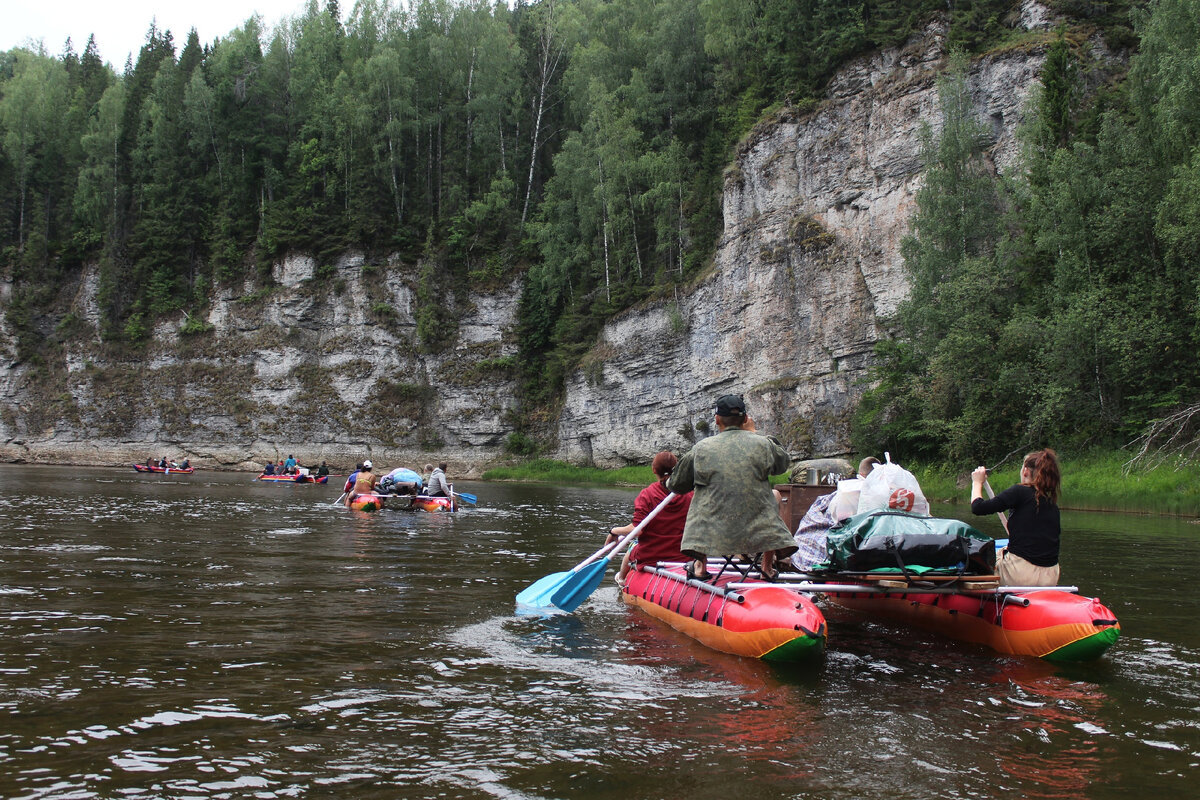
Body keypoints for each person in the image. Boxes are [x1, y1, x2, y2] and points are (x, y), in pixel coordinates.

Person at [666, 393, 797, 581]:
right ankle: (766, 568)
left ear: (717, 419)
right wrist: (754, 435)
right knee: (774, 494)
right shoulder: (764, 444)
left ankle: (700, 567)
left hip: (715, 535)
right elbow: (782, 465)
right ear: (745, 419)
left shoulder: (701, 448)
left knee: (700, 495)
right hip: (759, 532)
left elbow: (676, 486)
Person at [970, 449, 1062, 587]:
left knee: (979, 556)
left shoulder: (1019, 492)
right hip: (1050, 577)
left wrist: (977, 482)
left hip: (1020, 576)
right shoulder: (1052, 504)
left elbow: (978, 507)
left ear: (1025, 471)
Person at [607, 451, 693, 583]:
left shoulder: (648, 494)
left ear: (654, 470)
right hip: (684, 556)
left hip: (651, 555)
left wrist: (614, 531)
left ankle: (622, 581)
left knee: (632, 548)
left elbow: (638, 529)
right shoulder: (689, 494)